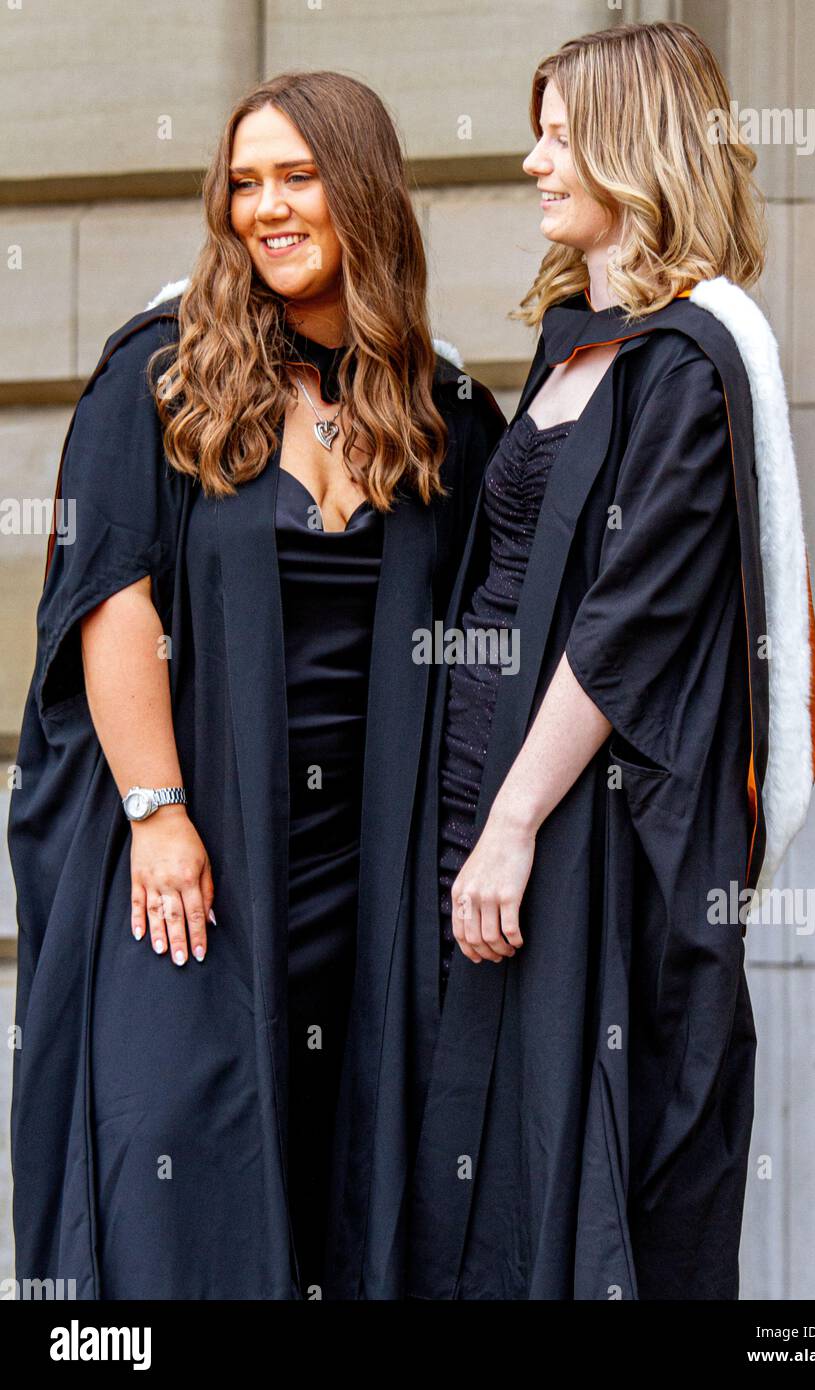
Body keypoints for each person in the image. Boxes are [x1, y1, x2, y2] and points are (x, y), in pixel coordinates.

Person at [328, 23, 815, 1300]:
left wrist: (510, 823)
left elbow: (627, 626)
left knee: (566, 1139)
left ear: (633, 146)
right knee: (459, 1138)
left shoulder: (689, 364)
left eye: (561, 132)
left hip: (574, 822)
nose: (535, 158)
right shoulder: (564, 344)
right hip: (469, 796)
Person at [7, 70, 503, 1300]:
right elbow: (106, 596)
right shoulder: (165, 376)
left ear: (364, 193)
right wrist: (155, 812)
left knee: (351, 1180)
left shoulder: (442, 411)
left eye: (298, 177)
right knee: (175, 1161)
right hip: (198, 855)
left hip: (371, 877)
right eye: (243, 182)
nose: (266, 208)